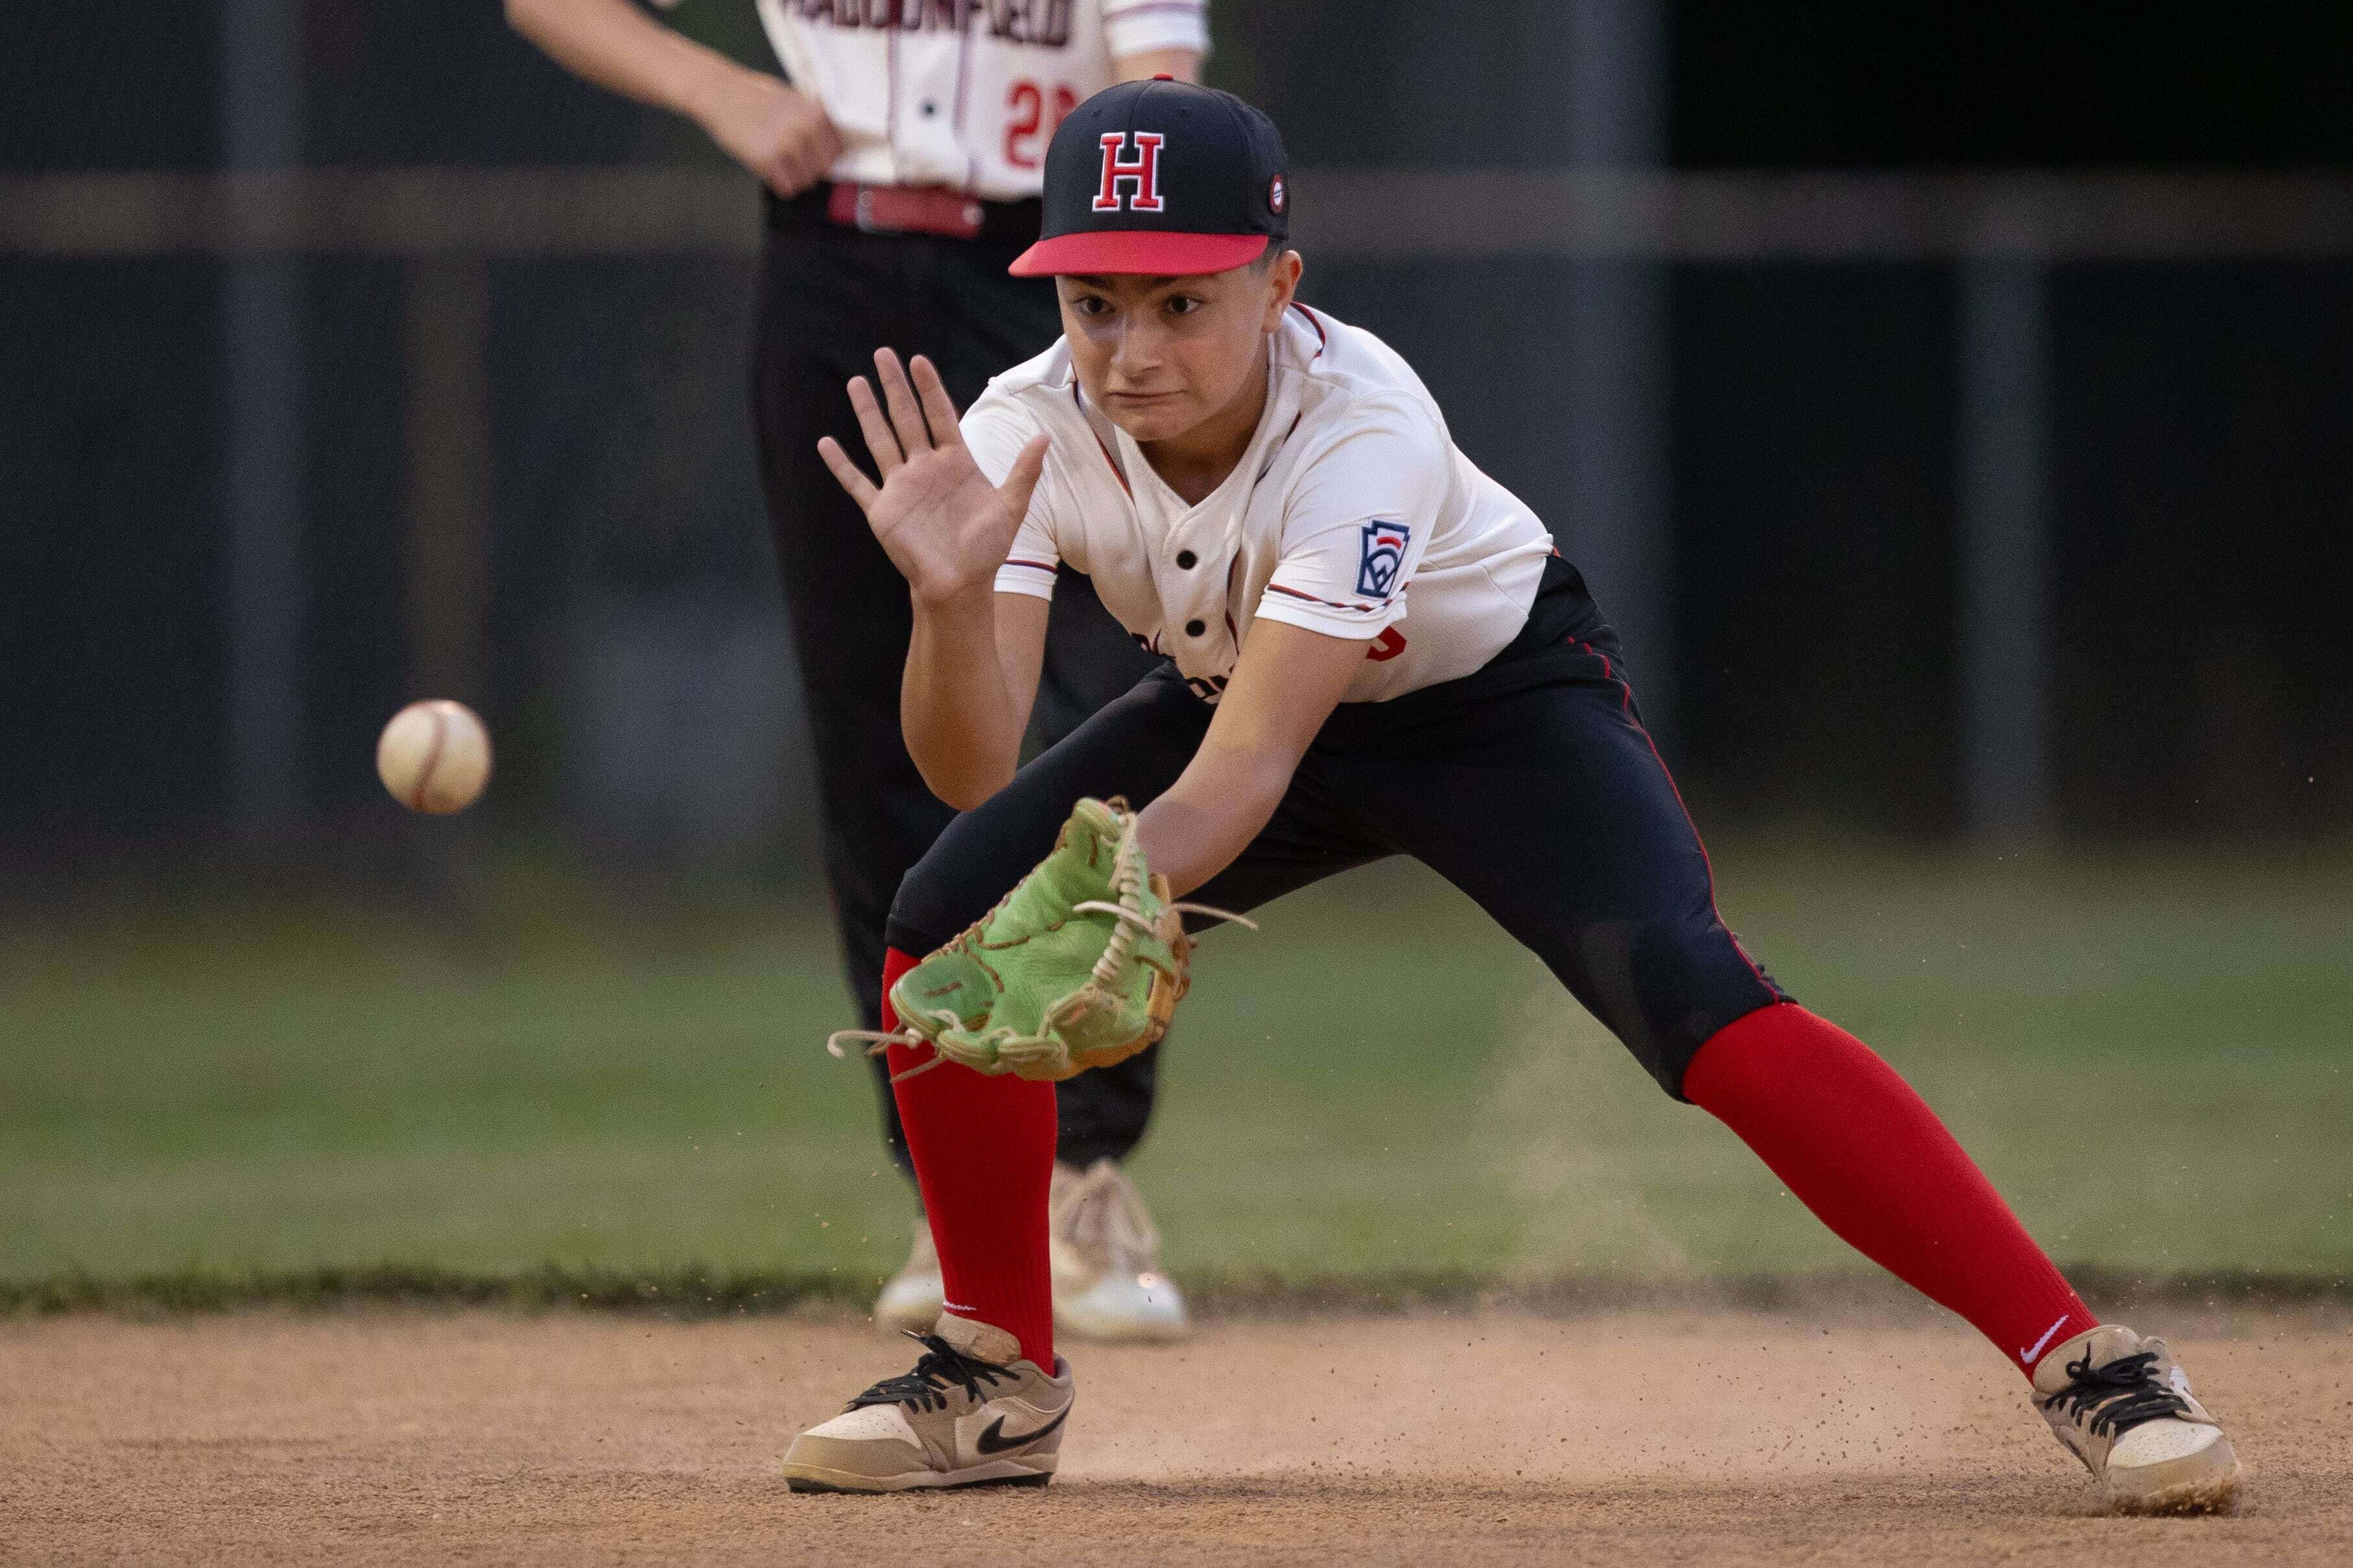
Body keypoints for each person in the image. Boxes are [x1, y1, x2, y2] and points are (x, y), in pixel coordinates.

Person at [775, 77, 2245, 1512]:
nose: (1132, 347)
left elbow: (1252, 771)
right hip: (1243, 692)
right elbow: (971, 773)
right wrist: (953, 607)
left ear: (1280, 283)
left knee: (1698, 998)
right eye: (1094, 300)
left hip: (1487, 709)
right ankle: (996, 1380)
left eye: (1183, 299)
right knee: (942, 915)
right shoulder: (1030, 422)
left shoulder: (1363, 427)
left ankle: (2087, 1361)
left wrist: (1111, 886)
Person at [502, 0, 1211, 1340]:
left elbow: (1157, 72)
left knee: (1092, 727)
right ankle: (953, 1194)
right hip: (833, 263)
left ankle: (1085, 1178)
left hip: (1047, 269)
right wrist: (721, 91)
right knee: (872, 730)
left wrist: (1143, 249)